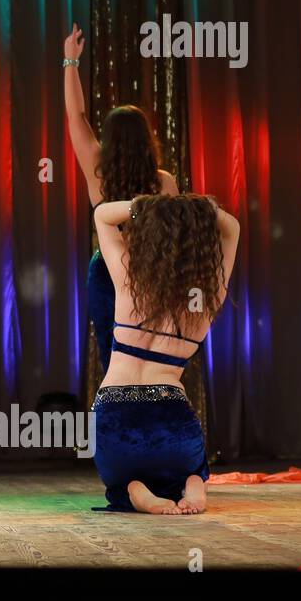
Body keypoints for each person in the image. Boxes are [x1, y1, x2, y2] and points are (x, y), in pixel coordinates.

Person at [91, 195, 239, 514]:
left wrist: (148, 207)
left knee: (121, 479)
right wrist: (202, 212)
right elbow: (233, 229)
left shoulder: (130, 281)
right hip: (173, 424)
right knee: (189, 467)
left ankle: (132, 489)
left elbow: (102, 215)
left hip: (116, 421)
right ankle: (192, 480)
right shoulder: (206, 297)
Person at [62, 23, 179, 370]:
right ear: (147, 141)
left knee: (115, 364)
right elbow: (173, 242)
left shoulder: (99, 172)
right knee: (150, 362)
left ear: (109, 142)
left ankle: (118, 422)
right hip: (150, 277)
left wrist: (70, 62)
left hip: (108, 275)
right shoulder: (164, 183)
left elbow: (76, 116)